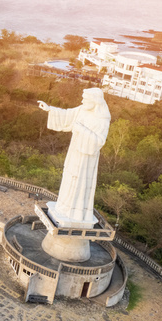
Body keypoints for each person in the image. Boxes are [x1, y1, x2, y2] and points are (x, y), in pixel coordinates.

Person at [37, 88, 111, 225]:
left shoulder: (102, 119)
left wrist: (81, 129)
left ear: (95, 101)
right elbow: (67, 115)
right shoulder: (82, 109)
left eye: (85, 99)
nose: (82, 101)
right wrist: (49, 109)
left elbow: (100, 141)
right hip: (75, 152)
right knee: (68, 178)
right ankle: (64, 207)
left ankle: (76, 212)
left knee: (79, 182)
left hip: (86, 158)